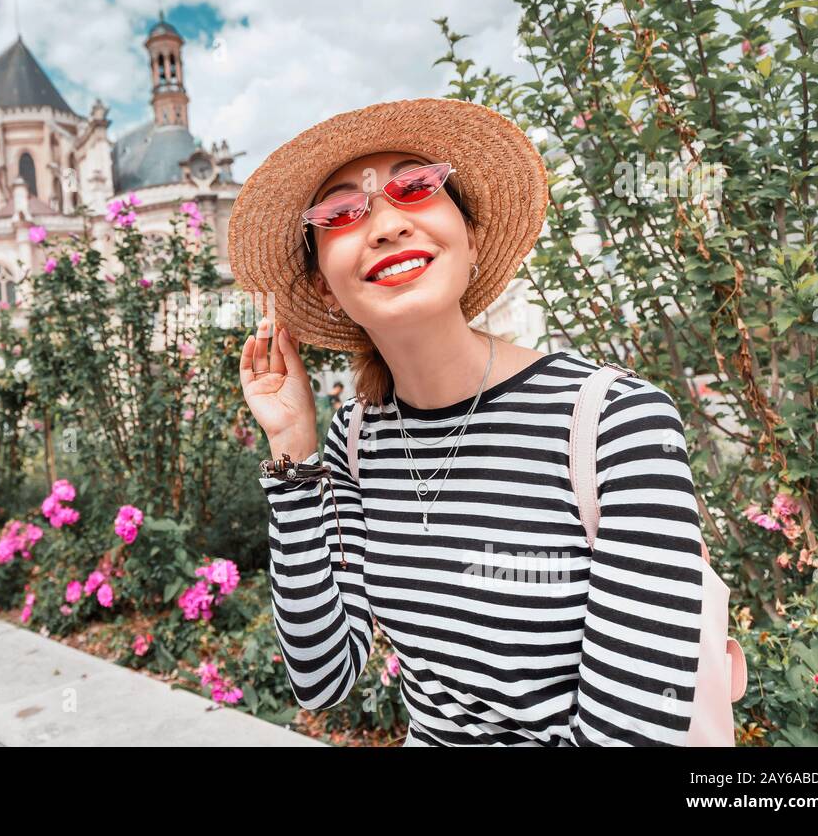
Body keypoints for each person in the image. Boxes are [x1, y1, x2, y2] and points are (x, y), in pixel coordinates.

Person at [230, 97, 704, 746]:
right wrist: (292, 452)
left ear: (472, 236)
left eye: (416, 186)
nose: (388, 224)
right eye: (342, 211)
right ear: (322, 288)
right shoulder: (357, 440)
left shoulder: (615, 423)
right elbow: (322, 678)